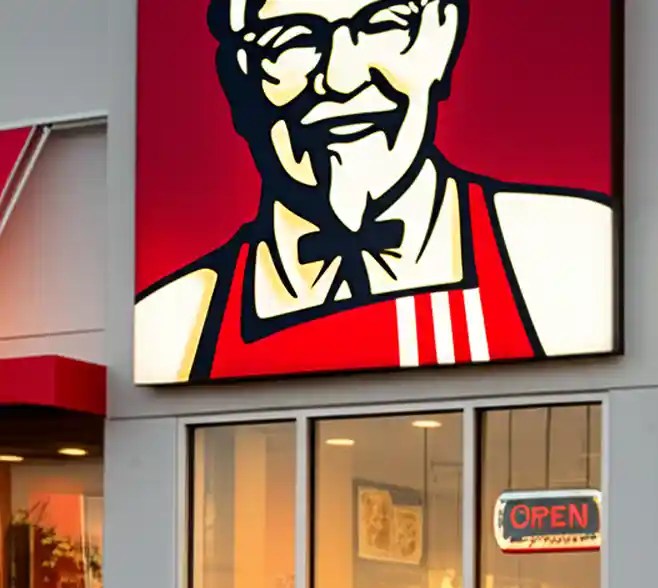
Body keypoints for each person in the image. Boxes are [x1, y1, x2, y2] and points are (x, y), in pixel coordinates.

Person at [135, 0, 615, 384]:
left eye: (384, 22)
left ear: (442, 39)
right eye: (295, 39)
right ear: (241, 79)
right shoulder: (177, 323)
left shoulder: (564, 257)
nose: (342, 80)